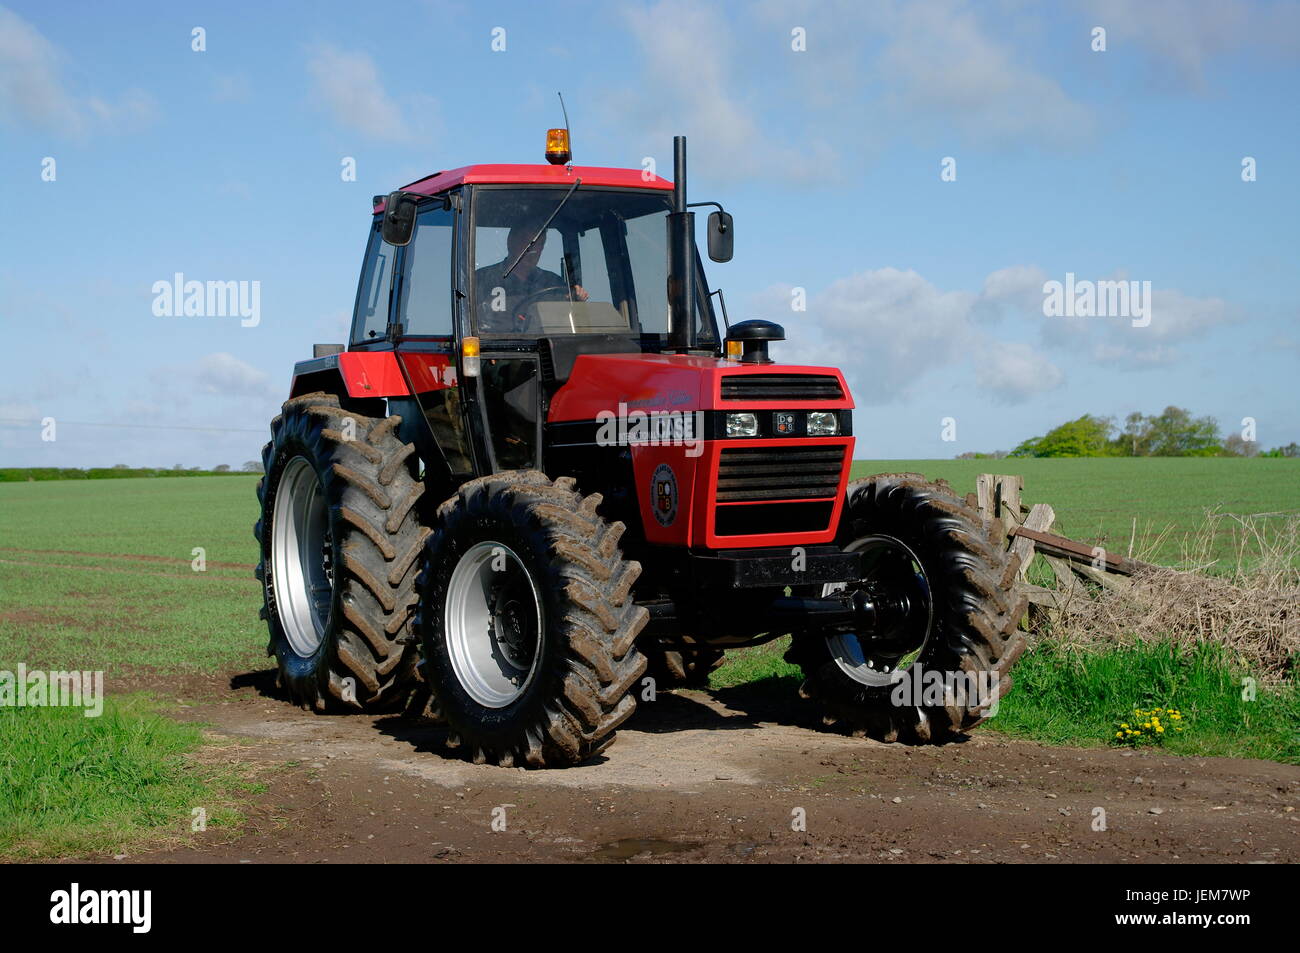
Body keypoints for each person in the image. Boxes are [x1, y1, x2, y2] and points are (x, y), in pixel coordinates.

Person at [475, 224, 587, 333]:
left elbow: (567, 325)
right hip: (495, 349)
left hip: (548, 349)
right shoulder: (481, 280)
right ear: (511, 242)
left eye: (540, 244)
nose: (534, 249)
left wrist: (577, 303)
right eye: (527, 242)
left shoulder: (554, 283)